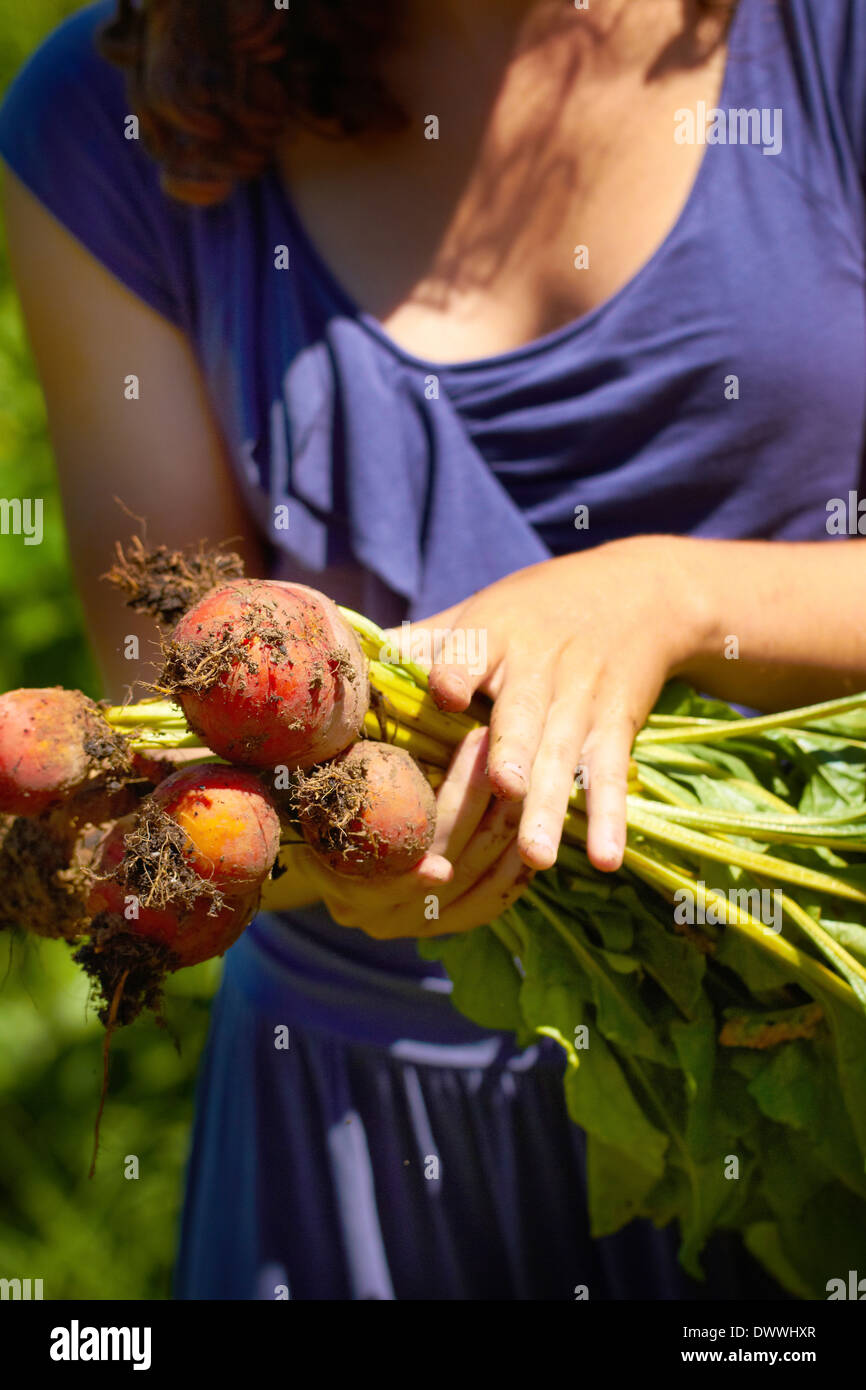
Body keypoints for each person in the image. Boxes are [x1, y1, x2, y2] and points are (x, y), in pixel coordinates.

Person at [0, 0, 862, 1300]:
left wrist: (671, 594)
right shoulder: (114, 104)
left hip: (792, 1052)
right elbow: (150, 736)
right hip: (348, 1136)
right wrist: (354, 840)